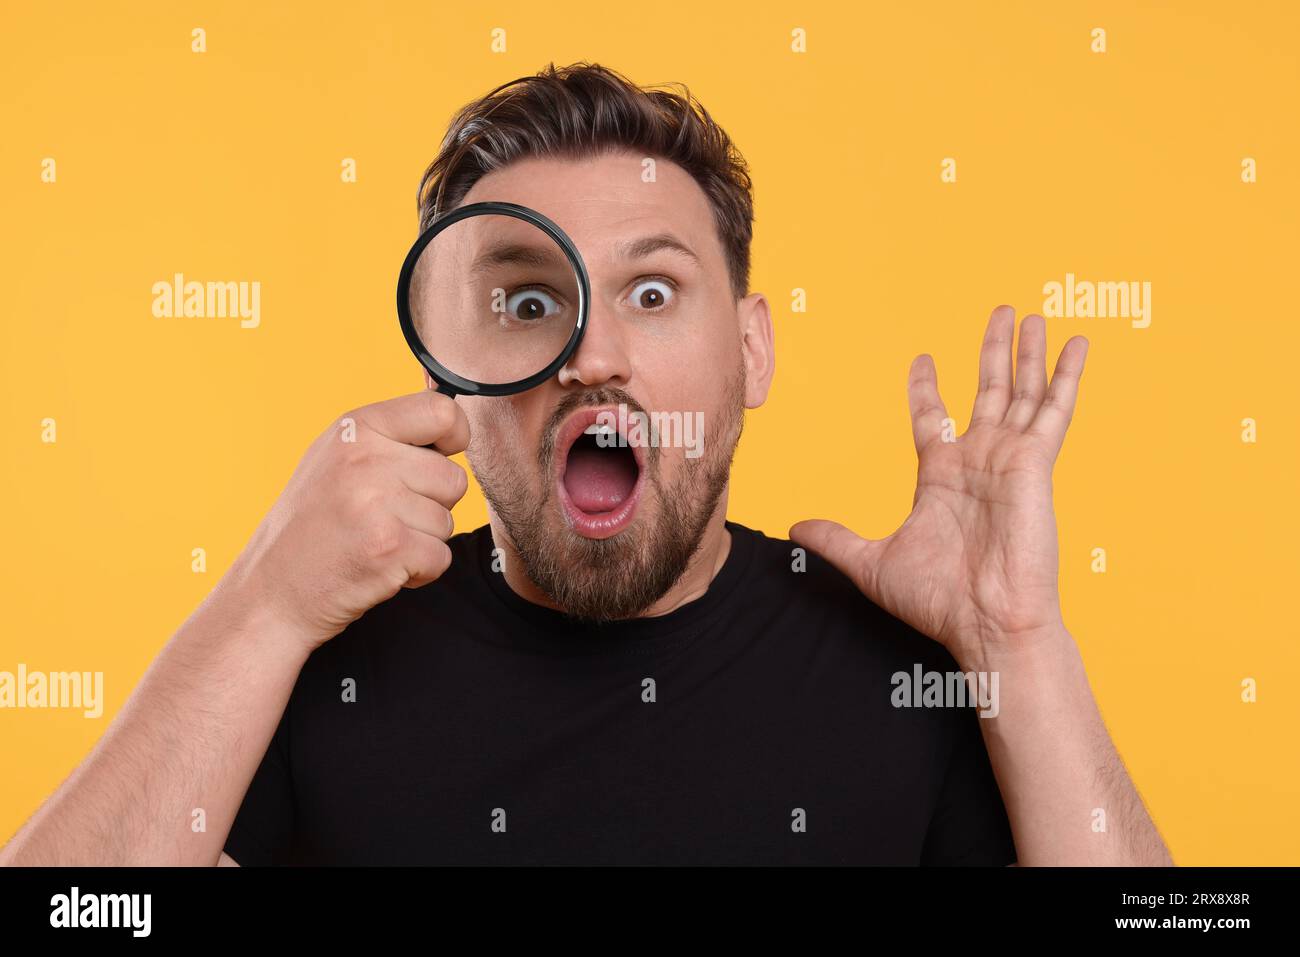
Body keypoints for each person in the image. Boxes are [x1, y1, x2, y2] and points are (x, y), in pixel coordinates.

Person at [0, 62, 1171, 866]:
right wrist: (258, 607)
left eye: (651, 292)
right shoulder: (316, 663)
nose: (593, 356)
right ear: (447, 369)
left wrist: (1020, 644)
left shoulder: (924, 672)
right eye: (523, 301)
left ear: (750, 352)